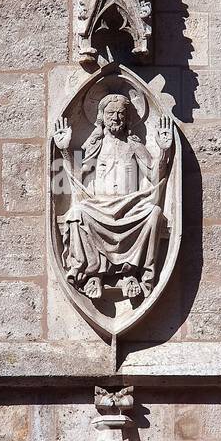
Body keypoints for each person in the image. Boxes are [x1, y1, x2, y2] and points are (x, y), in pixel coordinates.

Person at [53, 92, 173, 302]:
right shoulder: (94, 145)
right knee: (77, 213)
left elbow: (155, 176)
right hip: (99, 207)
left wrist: (163, 151)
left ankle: (130, 275)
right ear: (101, 116)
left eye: (120, 113)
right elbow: (75, 174)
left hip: (129, 208)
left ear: (127, 118)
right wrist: (64, 150)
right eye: (110, 113)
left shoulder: (135, 145)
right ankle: (94, 275)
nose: (116, 118)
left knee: (153, 212)